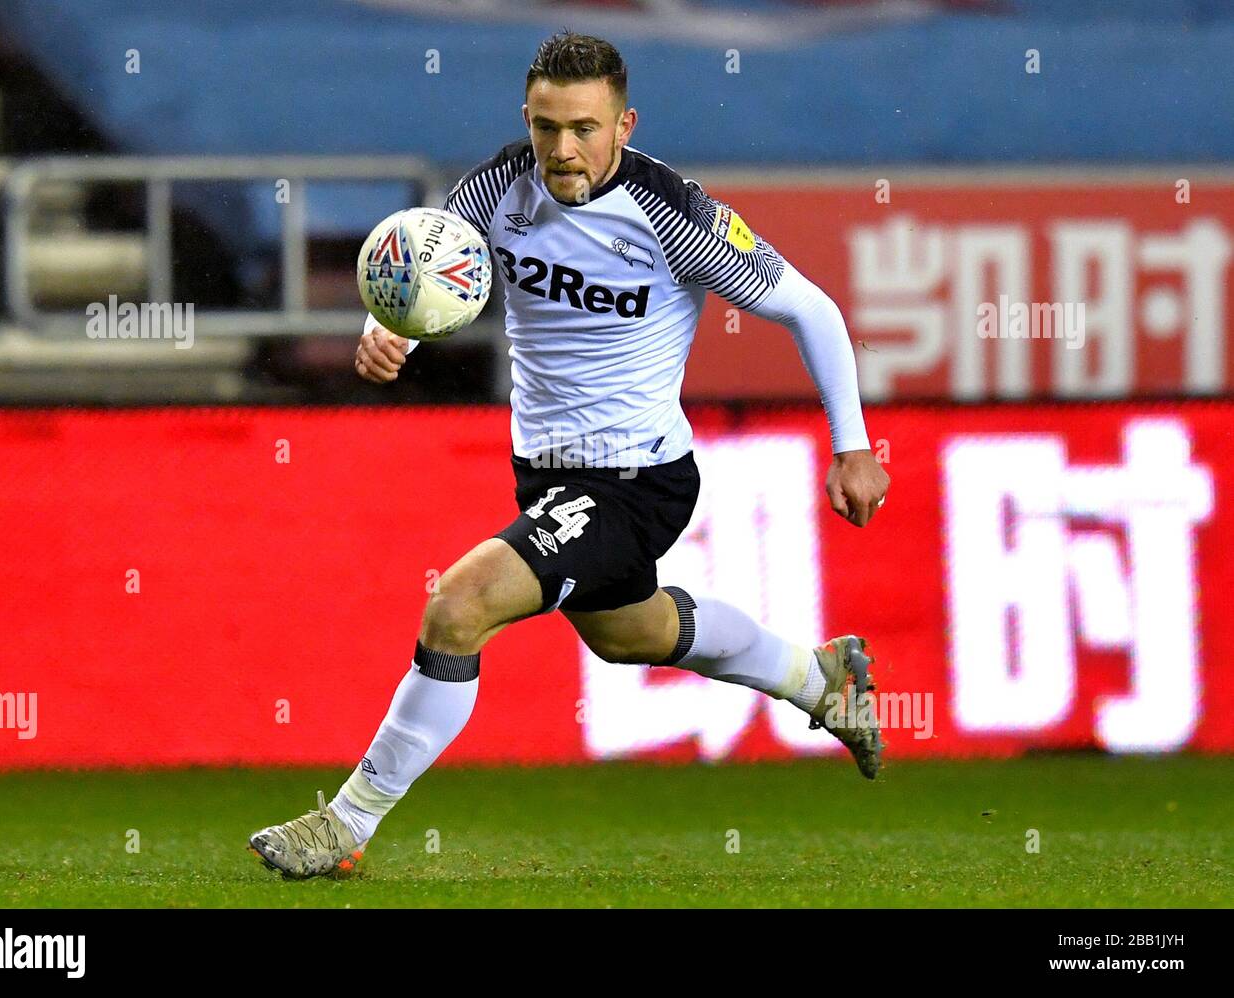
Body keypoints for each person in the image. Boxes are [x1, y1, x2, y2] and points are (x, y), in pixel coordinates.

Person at [250, 30, 890, 880]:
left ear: (624, 124)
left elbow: (810, 310)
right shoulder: (499, 184)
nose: (563, 149)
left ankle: (345, 824)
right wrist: (385, 330)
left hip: (636, 481)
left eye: (584, 128)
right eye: (547, 126)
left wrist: (852, 446)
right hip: (547, 475)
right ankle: (819, 678)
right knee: (632, 634)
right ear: (527, 116)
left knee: (459, 606)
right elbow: (424, 265)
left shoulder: (674, 215)